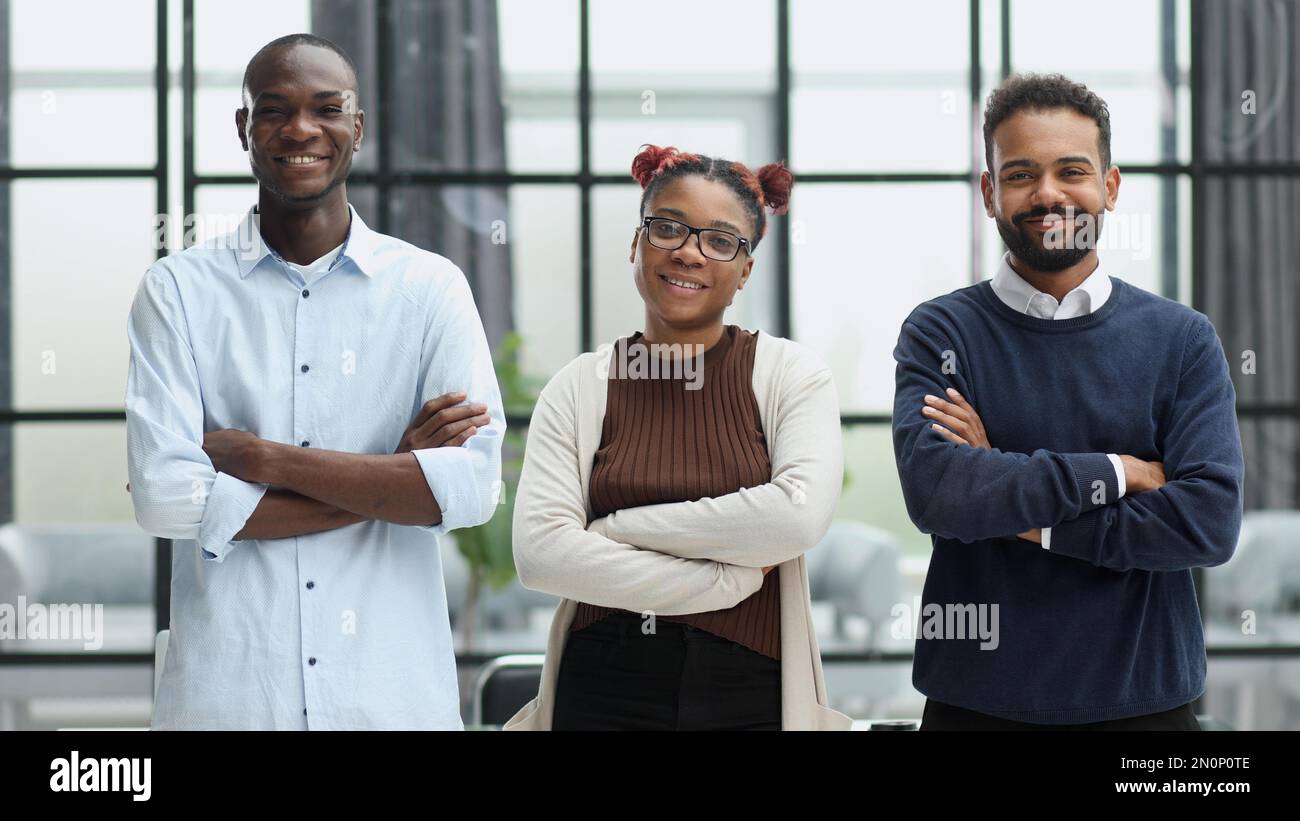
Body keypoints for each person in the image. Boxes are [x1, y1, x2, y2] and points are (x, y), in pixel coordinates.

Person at [126, 33, 504, 729]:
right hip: (232, 700)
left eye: (326, 108)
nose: (301, 129)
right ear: (244, 128)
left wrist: (266, 461)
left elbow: (471, 489)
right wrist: (392, 476)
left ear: (356, 128)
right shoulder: (176, 292)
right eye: (274, 109)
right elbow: (164, 500)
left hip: (391, 702)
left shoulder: (430, 290)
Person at [892, 73, 1244, 730]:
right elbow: (939, 492)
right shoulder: (941, 333)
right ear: (990, 193)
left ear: (1108, 187)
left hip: (1149, 713)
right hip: (974, 710)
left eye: (1072, 170)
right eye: (1021, 174)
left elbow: (1208, 521)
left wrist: (1016, 499)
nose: (1048, 193)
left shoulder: (1182, 339)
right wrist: (1120, 472)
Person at [505, 144, 851, 731]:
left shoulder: (792, 375)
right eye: (668, 228)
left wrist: (616, 529)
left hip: (753, 692)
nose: (689, 252)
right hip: (602, 690)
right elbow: (541, 555)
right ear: (636, 244)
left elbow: (795, 519)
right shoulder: (580, 387)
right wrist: (723, 581)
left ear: (745, 270)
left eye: (720, 241)